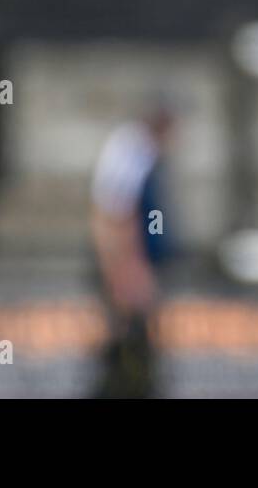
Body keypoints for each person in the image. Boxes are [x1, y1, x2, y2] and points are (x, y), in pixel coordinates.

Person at [89, 98, 176, 397]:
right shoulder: (131, 152)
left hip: (136, 266)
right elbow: (114, 217)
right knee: (128, 345)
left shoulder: (144, 154)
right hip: (127, 268)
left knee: (139, 344)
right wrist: (126, 270)